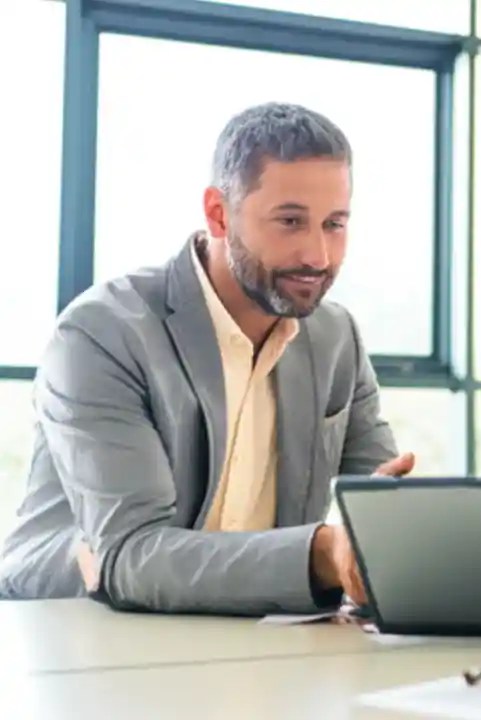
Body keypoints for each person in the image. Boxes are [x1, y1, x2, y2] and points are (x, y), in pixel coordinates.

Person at [0, 102, 412, 614]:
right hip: (70, 624)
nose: (318, 256)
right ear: (219, 214)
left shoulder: (335, 338)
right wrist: (320, 555)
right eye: (290, 221)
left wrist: (424, 528)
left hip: (246, 632)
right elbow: (131, 554)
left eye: (334, 224)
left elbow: (381, 504)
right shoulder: (103, 333)